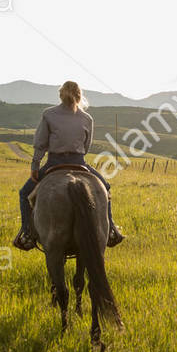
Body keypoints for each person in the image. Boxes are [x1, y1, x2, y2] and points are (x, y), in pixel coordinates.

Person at [13, 80, 125, 251]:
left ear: (60, 95)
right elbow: (86, 147)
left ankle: (27, 232)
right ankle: (111, 229)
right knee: (106, 188)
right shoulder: (87, 118)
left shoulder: (48, 114)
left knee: (24, 194)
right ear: (80, 96)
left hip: (54, 161)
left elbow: (40, 144)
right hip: (79, 161)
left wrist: (35, 166)